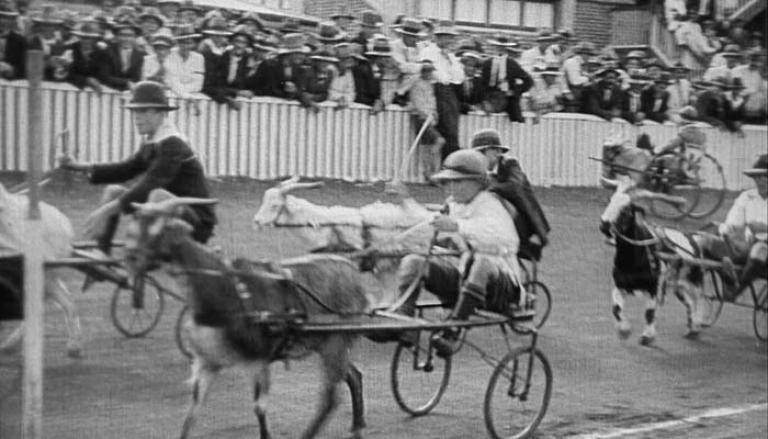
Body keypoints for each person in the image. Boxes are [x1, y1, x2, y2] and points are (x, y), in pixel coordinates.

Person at [58, 81, 217, 258]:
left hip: (196, 223)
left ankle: (140, 257)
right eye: (135, 111)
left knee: (157, 195)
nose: (137, 117)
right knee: (114, 191)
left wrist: (105, 211)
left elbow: (150, 185)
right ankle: (101, 251)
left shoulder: (173, 143)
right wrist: (77, 166)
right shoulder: (155, 141)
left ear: (161, 113)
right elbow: (125, 169)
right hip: (169, 213)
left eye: (143, 111)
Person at [392, 149, 525, 357]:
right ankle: (404, 324)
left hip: (500, 290)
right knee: (414, 261)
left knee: (482, 261)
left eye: (458, 182)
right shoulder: (454, 205)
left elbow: (504, 240)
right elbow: (428, 222)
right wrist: (405, 200)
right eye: (448, 182)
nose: (451, 187)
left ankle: (453, 330)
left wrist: (457, 226)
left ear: (478, 183)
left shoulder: (490, 205)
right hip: (465, 284)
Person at [470, 128, 550, 261]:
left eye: (482, 153)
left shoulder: (510, 165)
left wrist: (491, 187)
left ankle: (525, 248)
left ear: (497, 152)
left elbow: (515, 186)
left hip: (523, 219)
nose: (478, 158)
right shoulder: (480, 171)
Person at [698, 154, 767, 301]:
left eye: (766, 176)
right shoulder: (747, 197)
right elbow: (733, 222)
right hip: (748, 246)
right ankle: (728, 277)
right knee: (706, 241)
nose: (762, 180)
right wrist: (727, 233)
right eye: (758, 176)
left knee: (760, 249)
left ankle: (736, 288)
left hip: (763, 251)